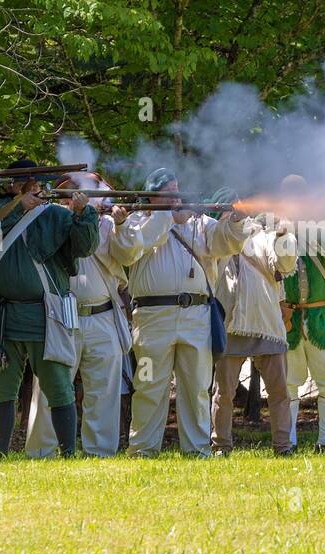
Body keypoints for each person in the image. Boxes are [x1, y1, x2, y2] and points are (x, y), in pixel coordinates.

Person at [122, 168, 250, 457]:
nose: (175, 198)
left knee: (196, 387)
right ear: (152, 197)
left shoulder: (201, 223)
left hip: (196, 314)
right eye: (167, 194)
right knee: (149, 385)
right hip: (152, 317)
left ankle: (197, 449)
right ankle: (142, 448)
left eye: (176, 192)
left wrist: (236, 218)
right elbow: (128, 250)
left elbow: (226, 241)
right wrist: (167, 217)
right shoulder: (137, 222)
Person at [0, 160, 100, 457]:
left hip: (46, 316)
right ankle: (1, 454)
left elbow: (85, 247)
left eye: (34, 182)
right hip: (5, 317)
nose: (33, 187)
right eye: (25, 183)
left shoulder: (55, 215)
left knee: (59, 387)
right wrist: (20, 207)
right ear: (13, 186)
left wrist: (83, 213)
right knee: (2, 389)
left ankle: (68, 453)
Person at [24, 171, 141, 458]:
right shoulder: (51, 220)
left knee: (103, 391)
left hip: (102, 314)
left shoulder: (109, 224)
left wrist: (122, 223)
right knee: (53, 386)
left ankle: (100, 451)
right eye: (70, 192)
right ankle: (42, 451)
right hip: (61, 314)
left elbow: (129, 256)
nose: (77, 196)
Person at [209, 187, 299, 456]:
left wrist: (284, 235)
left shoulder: (264, 236)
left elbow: (283, 265)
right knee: (222, 393)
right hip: (230, 323)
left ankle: (283, 446)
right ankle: (220, 446)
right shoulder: (214, 237)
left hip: (265, 322)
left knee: (279, 392)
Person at [280, 175, 325, 452]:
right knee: (288, 383)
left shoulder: (323, 228)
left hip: (322, 318)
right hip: (287, 318)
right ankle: (289, 441)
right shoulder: (274, 229)